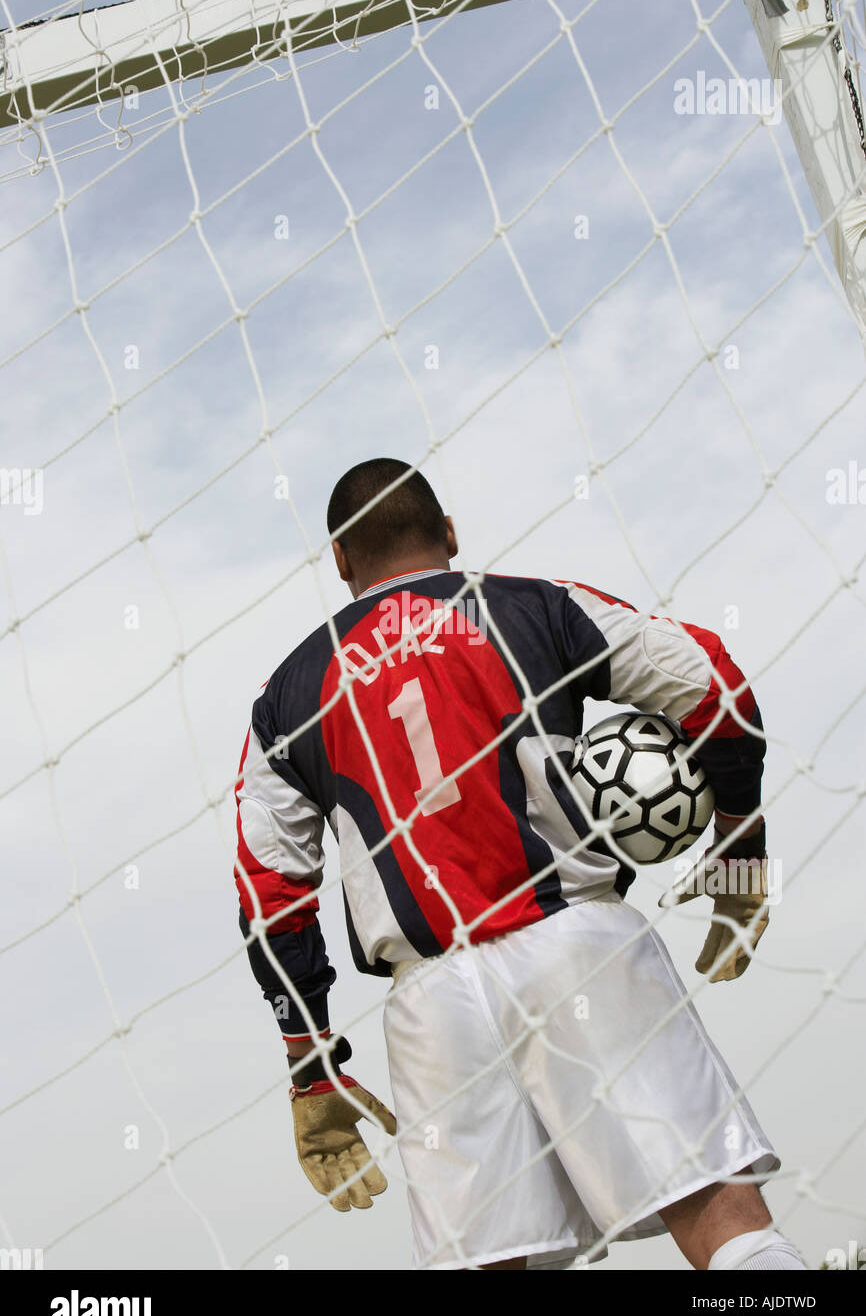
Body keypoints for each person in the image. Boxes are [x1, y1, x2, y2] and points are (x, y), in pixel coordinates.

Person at [233, 456, 805, 1271]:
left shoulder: (285, 697)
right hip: (578, 945)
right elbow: (713, 687)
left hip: (432, 1008)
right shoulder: (533, 606)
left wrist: (311, 1066)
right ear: (451, 533)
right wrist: (740, 859)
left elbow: (271, 893)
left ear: (340, 563)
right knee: (727, 1230)